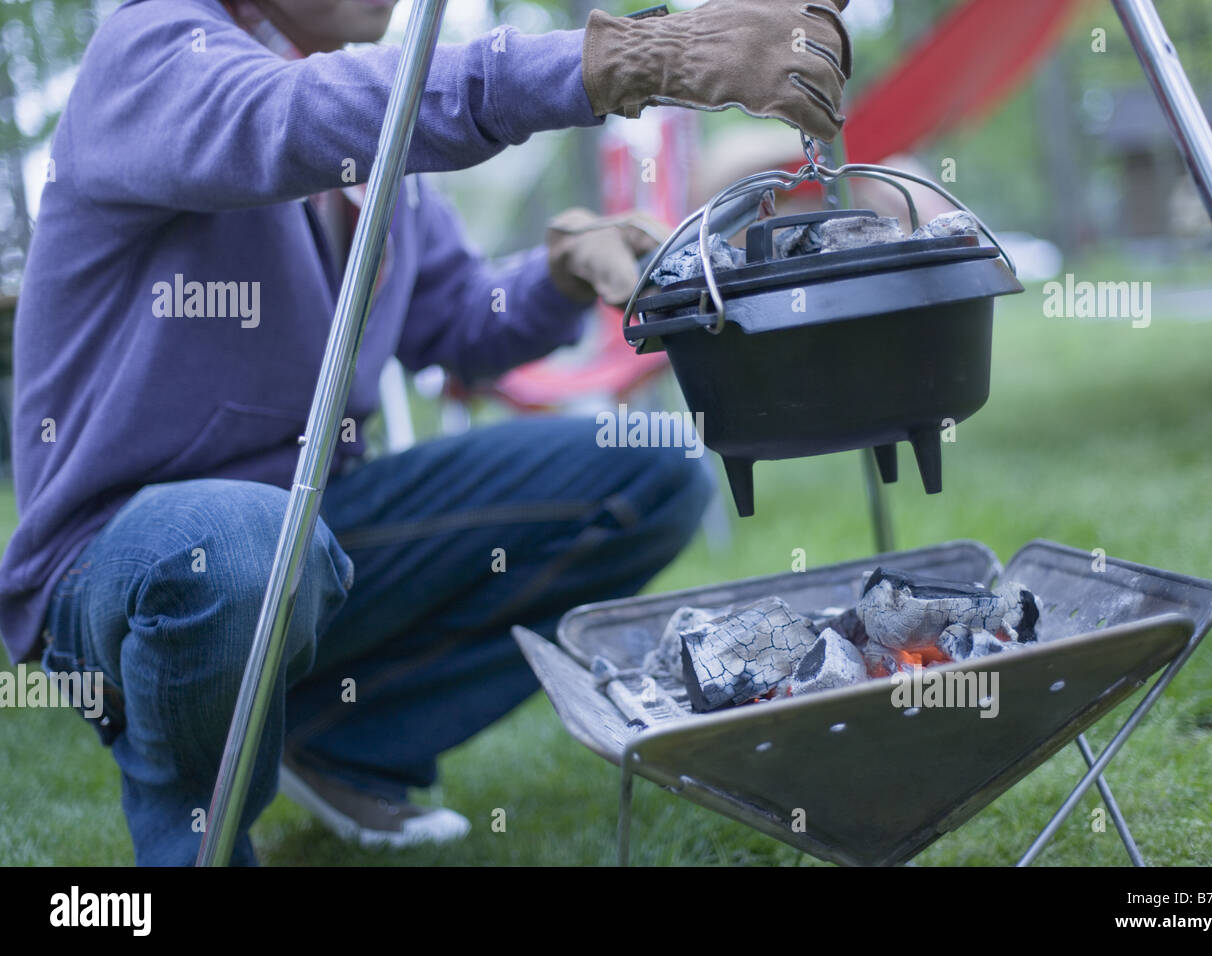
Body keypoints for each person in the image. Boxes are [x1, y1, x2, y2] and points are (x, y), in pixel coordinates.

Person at [0, 0, 852, 865]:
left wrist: (557, 276)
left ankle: (342, 740)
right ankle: (189, 822)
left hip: (313, 527)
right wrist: (634, 56)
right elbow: (295, 117)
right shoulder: (154, 47)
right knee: (238, 548)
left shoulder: (376, 158)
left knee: (653, 473)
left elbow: (457, 324)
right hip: (121, 558)